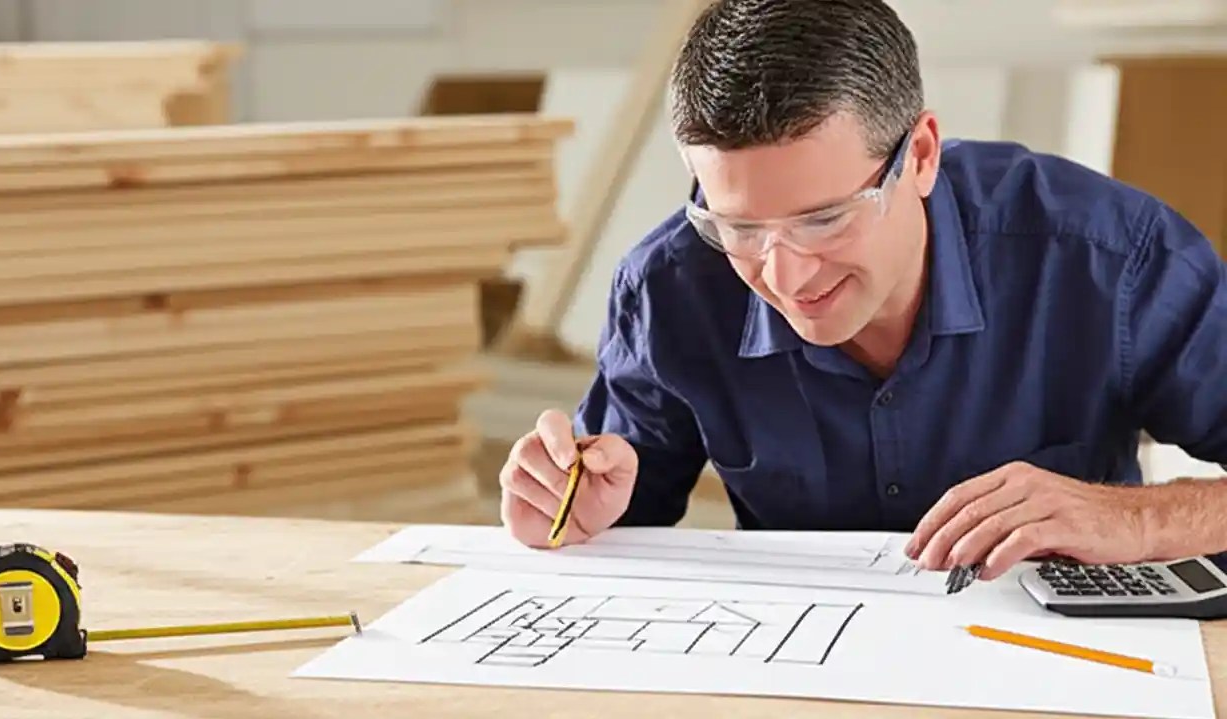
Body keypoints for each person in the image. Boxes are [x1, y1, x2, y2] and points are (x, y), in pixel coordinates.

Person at [498, 0, 1227, 581]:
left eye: (824, 220)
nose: (784, 277)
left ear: (920, 156)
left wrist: (1131, 521)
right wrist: (569, 513)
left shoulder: (1111, 258)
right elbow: (611, 521)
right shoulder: (669, 287)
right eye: (738, 227)